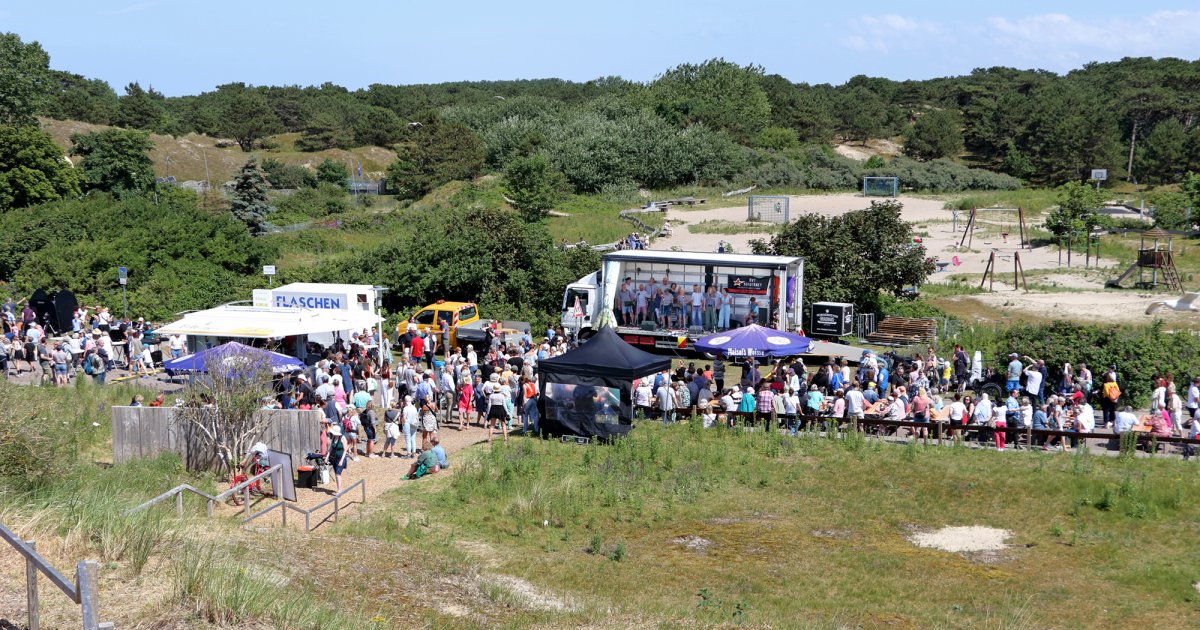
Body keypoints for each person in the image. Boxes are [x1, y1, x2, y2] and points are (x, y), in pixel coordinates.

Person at [326, 425, 347, 493]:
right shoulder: (333, 438)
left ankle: (339, 490)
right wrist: (327, 457)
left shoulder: (342, 438)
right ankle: (339, 488)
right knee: (336, 474)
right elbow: (330, 449)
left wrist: (341, 460)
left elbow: (345, 450)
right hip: (334, 458)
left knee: (338, 474)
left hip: (340, 458)